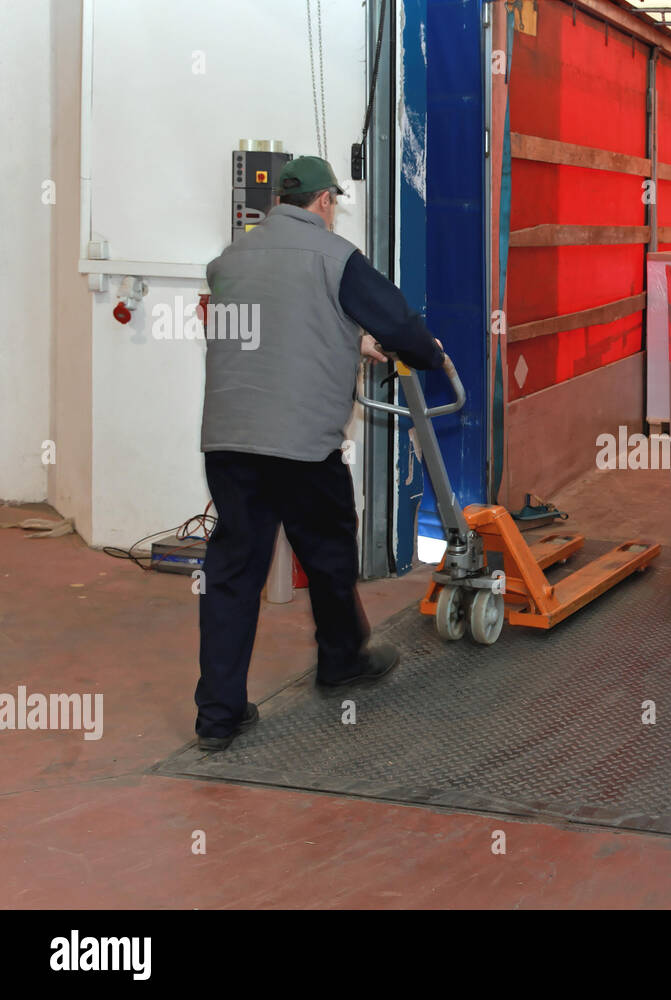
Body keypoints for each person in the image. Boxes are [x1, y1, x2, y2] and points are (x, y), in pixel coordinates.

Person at [195, 155, 444, 752]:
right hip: (302, 447)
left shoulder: (230, 259)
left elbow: (268, 328)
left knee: (232, 572)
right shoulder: (336, 258)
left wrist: (345, 339)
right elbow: (401, 323)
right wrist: (428, 353)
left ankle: (217, 717)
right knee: (329, 553)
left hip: (228, 441)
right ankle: (341, 661)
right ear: (325, 202)